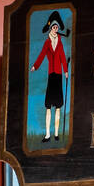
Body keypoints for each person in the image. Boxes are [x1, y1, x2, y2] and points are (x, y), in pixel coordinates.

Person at [31, 11, 70, 143]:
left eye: (57, 27)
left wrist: (65, 70)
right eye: (54, 27)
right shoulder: (47, 42)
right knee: (48, 106)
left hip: (59, 75)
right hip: (51, 75)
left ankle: (57, 133)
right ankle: (47, 134)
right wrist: (35, 66)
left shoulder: (60, 42)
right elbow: (42, 55)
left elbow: (63, 57)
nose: (55, 29)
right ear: (51, 28)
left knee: (58, 106)